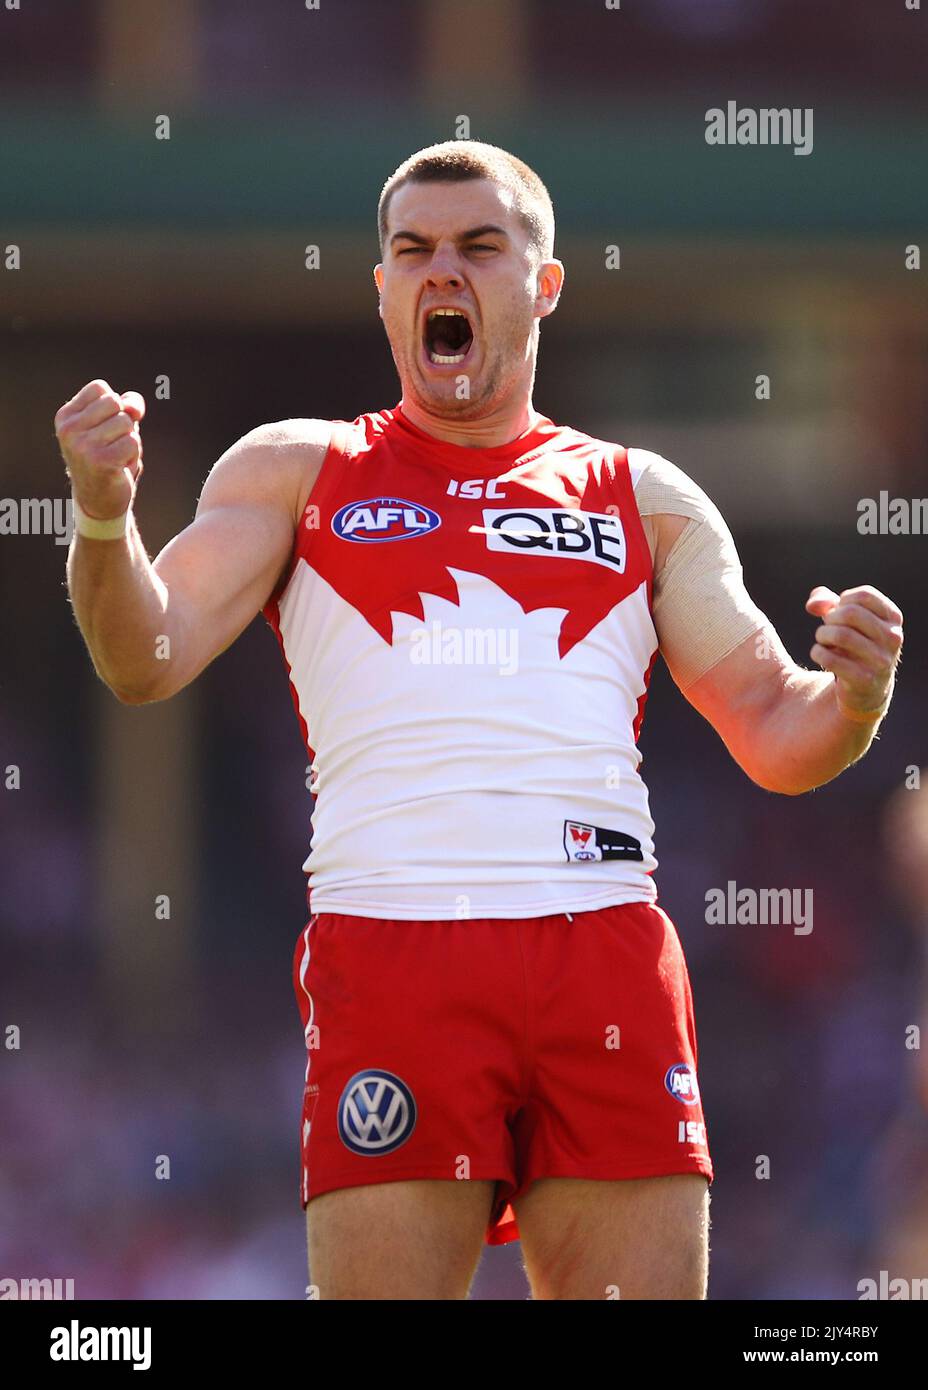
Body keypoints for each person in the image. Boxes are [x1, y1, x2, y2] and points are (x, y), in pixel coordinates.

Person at [56, 140, 903, 1300]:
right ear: (384, 290)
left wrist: (852, 698)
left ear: (543, 284)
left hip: (601, 946)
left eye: (478, 248)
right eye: (413, 252)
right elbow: (142, 660)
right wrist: (104, 520)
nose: (440, 273)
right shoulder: (299, 470)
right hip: (393, 948)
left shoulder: (640, 496)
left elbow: (775, 731)